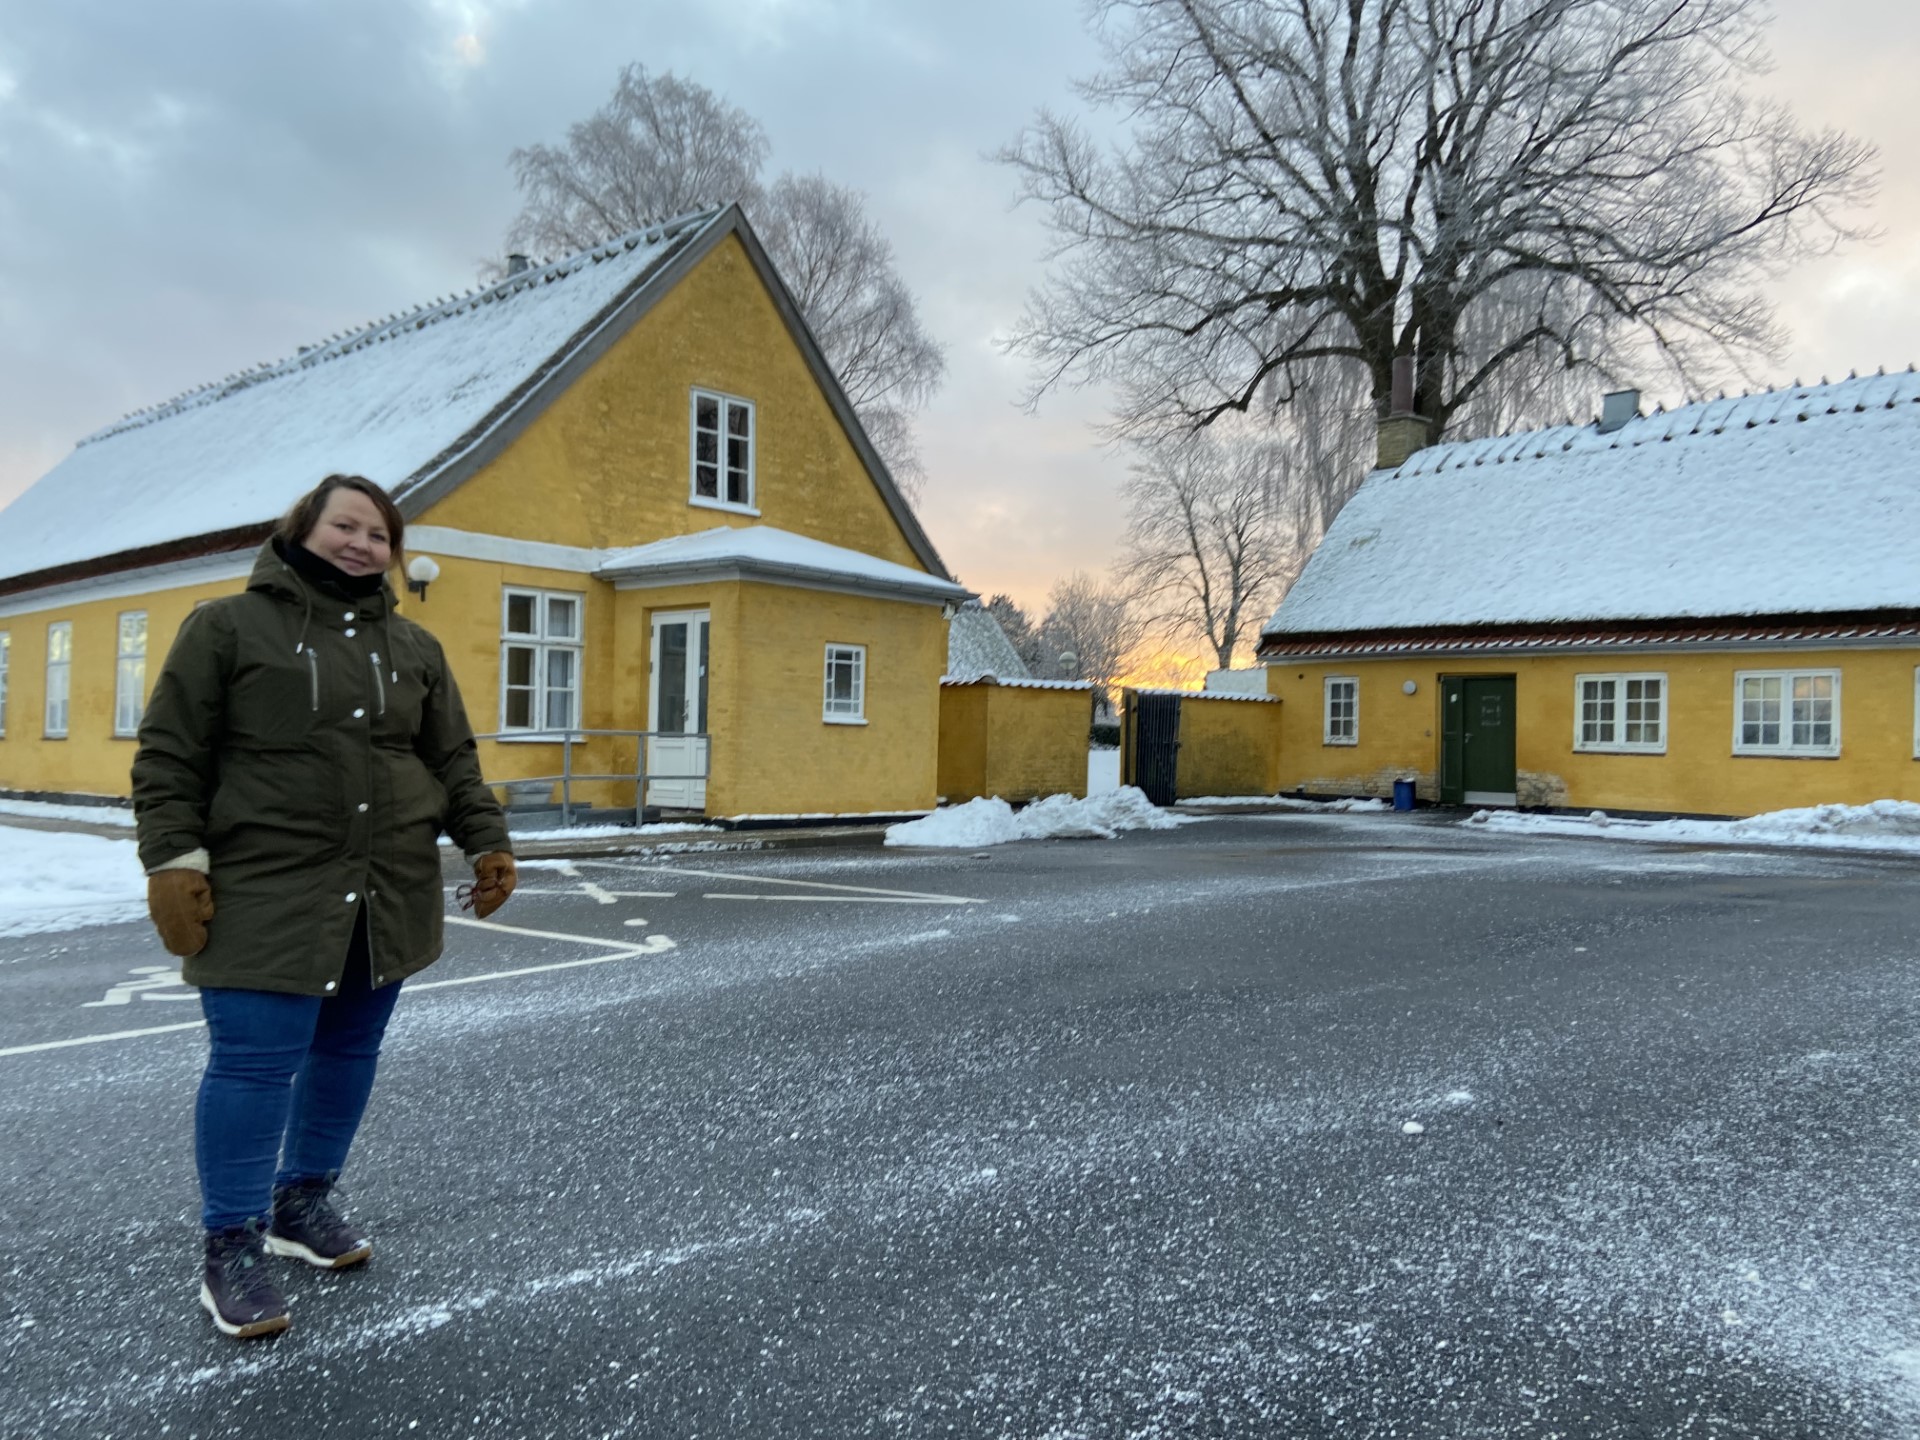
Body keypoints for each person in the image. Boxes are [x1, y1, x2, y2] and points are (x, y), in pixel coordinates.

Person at [133, 474, 518, 1339]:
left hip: (387, 885)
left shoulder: (414, 645)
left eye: (378, 534)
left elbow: (451, 755)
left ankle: (304, 1201)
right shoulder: (225, 627)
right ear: (302, 528)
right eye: (345, 525)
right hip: (267, 881)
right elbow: (170, 753)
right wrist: (171, 860)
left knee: (349, 1050)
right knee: (254, 1062)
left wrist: (486, 840)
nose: (361, 544)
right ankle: (230, 1242)